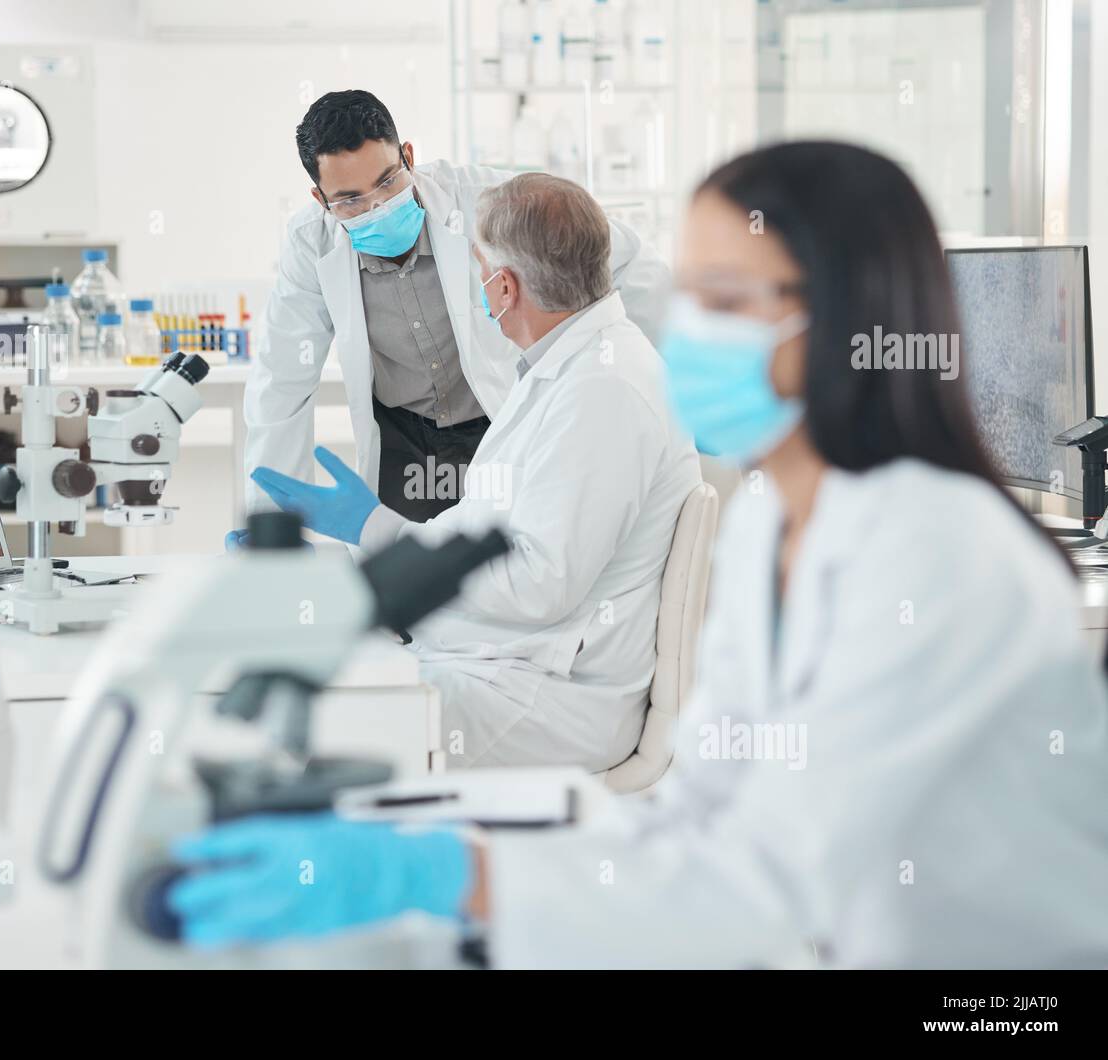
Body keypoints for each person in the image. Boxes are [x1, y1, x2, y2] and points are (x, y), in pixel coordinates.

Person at [168, 142, 1108, 967]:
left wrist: (457, 877)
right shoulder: (775, 529)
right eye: (689, 291)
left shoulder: (937, 558)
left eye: (726, 299)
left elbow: (763, 880)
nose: (687, 324)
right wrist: (487, 875)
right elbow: (699, 815)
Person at [250, 173, 701, 770]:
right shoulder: (561, 368)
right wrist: (379, 565)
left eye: (480, 270)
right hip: (504, 662)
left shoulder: (604, 390)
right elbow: (481, 527)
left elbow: (539, 582)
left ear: (505, 286)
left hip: (548, 698)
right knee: (307, 681)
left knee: (306, 729)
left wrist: (378, 534)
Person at [241, 90, 672, 526]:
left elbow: (627, 261)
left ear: (408, 156)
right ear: (321, 200)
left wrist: (676, 383)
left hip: (494, 419)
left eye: (388, 181)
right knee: (403, 573)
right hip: (401, 437)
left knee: (504, 558)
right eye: (351, 200)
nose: (377, 208)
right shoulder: (310, 243)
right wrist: (268, 528)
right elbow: (282, 384)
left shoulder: (484, 199)